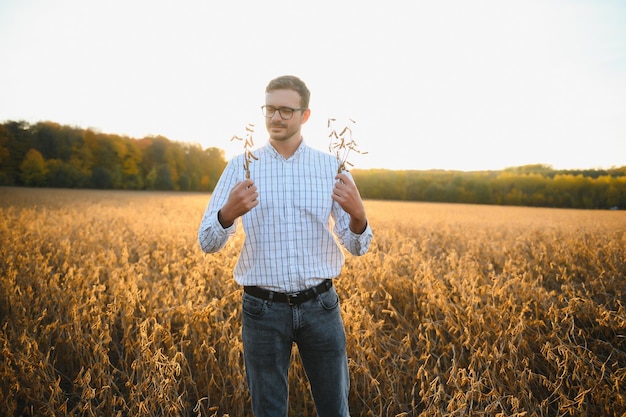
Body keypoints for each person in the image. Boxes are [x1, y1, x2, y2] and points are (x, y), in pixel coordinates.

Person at [198, 75, 373, 417]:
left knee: (335, 409)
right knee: (269, 411)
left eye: (285, 110)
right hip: (262, 310)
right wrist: (227, 213)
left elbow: (357, 245)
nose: (276, 117)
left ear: (304, 115)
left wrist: (359, 215)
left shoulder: (331, 168)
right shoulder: (242, 167)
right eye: (270, 109)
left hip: (321, 306)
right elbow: (207, 241)